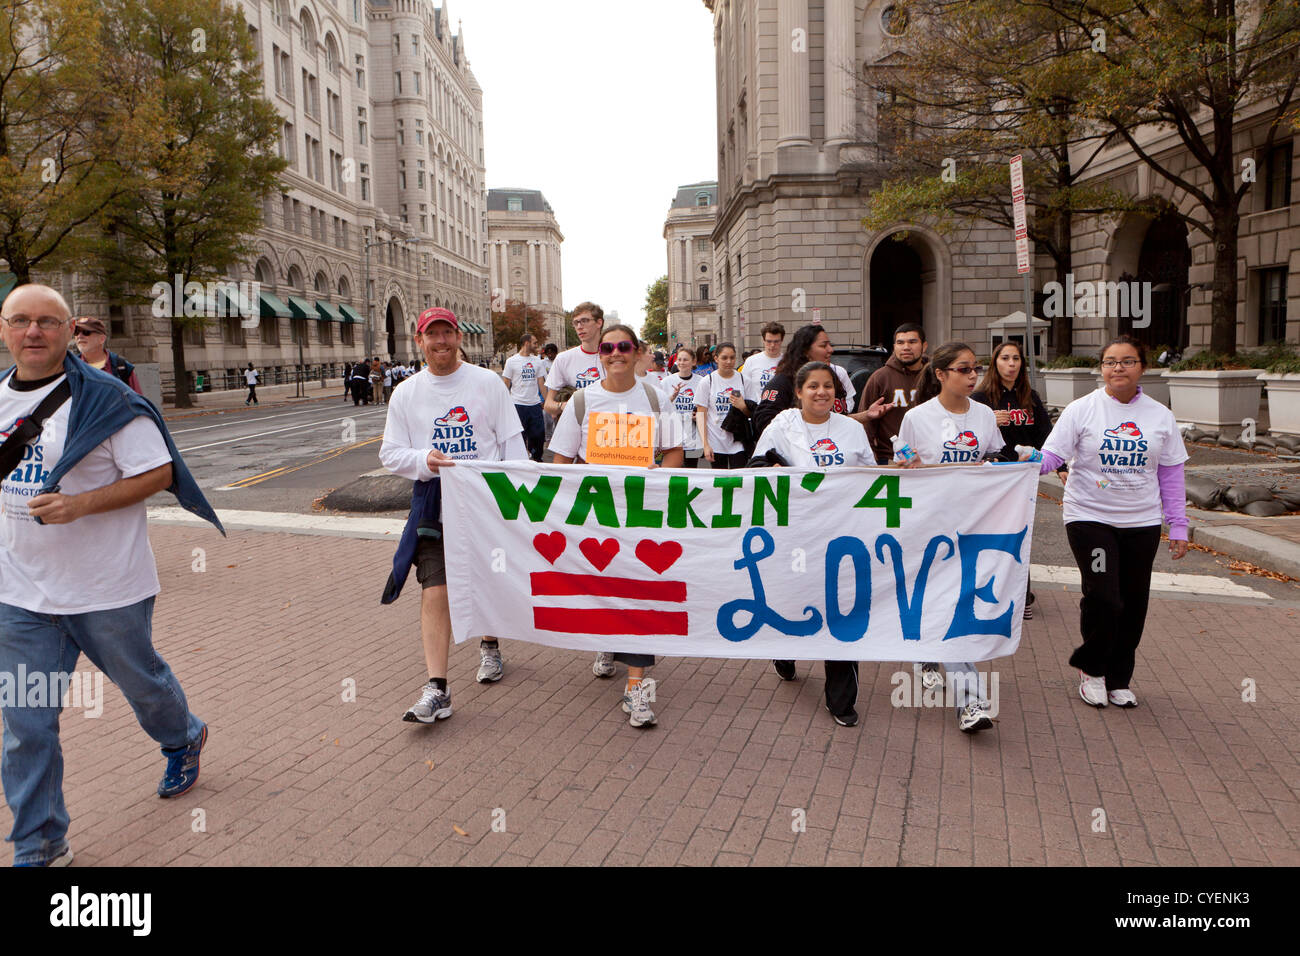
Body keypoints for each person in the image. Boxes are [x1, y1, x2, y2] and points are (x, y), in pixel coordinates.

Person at [0, 283, 224, 866]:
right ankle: (41, 846)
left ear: (69, 329)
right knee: (27, 727)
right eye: (20, 321)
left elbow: (157, 473)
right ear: (4, 329)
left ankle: (183, 736)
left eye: (47, 322)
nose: (33, 332)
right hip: (21, 596)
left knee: (142, 685)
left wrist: (80, 504)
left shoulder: (105, 398)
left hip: (105, 589)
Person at [380, 308, 526, 724]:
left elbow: (511, 443)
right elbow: (390, 452)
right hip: (435, 502)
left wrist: (519, 497)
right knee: (436, 589)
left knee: (488, 580)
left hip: (486, 501)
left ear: (458, 336)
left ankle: (490, 646)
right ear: (419, 339)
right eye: (433, 335)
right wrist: (424, 459)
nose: (441, 341)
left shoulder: (486, 384)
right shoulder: (406, 393)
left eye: (447, 333)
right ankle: (437, 688)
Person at [1036, 336, 1188, 709]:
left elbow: (1170, 474)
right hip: (1090, 518)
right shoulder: (1082, 409)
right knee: (1104, 596)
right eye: (1109, 361)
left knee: (1133, 602)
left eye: (1127, 361)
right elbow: (1052, 456)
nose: (1117, 368)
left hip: (1142, 523)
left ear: (1142, 367)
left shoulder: (1160, 416)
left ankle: (1120, 677)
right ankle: (1093, 670)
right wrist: (1016, 467)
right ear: (1101, 368)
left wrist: (1178, 525)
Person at [550, 324, 684, 727]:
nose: (615, 353)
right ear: (600, 354)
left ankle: (637, 690)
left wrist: (656, 481)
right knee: (605, 586)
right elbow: (561, 460)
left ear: (637, 351)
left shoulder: (656, 398)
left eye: (624, 346)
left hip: (641, 514)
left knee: (639, 591)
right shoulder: (581, 400)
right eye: (607, 347)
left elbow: (675, 451)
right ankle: (607, 640)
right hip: (597, 516)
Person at [897, 341, 1028, 733]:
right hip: (930, 526)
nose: (973, 376)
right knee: (947, 601)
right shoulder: (917, 418)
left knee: (959, 601)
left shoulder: (985, 415)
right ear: (940, 374)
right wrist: (909, 466)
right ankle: (969, 700)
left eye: (975, 369)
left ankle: (930, 659)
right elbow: (901, 469)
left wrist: (1017, 461)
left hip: (976, 526)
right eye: (963, 369)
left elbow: (995, 459)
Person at [750, 361, 879, 727]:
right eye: (813, 386)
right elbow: (756, 463)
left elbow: (870, 476)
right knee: (796, 602)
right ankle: (785, 651)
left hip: (843, 534)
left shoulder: (851, 430)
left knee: (842, 610)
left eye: (828, 386)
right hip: (798, 535)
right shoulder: (783, 425)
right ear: (799, 392)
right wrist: (769, 469)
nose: (821, 392)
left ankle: (841, 700)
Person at [973, 340, 1061, 620]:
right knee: (990, 536)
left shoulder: (1030, 397)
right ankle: (989, 593)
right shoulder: (981, 398)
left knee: (1020, 536)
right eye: (1005, 358)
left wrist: (1061, 464)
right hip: (992, 478)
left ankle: (1021, 596)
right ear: (995, 363)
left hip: (1023, 478)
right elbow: (971, 438)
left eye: (1016, 359)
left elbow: (1047, 435)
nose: (1011, 364)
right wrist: (989, 421)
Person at [753, 324, 869, 437]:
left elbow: (834, 420)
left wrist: (866, 415)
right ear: (806, 351)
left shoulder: (834, 377)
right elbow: (764, 422)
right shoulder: (783, 382)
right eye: (823, 346)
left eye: (830, 345)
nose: (830, 350)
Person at [861, 323, 929, 464]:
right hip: (890, 460)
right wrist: (871, 459)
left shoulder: (934, 377)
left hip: (928, 458)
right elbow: (866, 422)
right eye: (900, 342)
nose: (906, 347)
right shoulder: (880, 378)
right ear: (894, 347)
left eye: (912, 342)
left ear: (924, 346)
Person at [543, 302, 605, 420]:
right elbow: (548, 405)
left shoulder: (614, 357)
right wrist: (564, 406)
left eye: (585, 320)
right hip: (576, 430)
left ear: (599, 322)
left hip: (606, 428)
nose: (579, 326)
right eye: (576, 323)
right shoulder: (563, 359)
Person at [695, 342, 749, 469]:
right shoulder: (707, 381)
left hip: (738, 441)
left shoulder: (744, 380)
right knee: (720, 484)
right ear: (716, 358)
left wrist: (743, 407)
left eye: (732, 357)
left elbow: (752, 413)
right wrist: (705, 444)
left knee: (739, 481)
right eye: (724, 358)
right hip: (715, 441)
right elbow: (701, 414)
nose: (729, 361)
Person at [502, 333, 546, 462]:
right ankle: (521, 462)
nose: (537, 345)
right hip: (518, 405)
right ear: (527, 343)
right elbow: (506, 384)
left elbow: (541, 384)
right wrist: (503, 405)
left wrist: (547, 402)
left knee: (538, 436)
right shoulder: (511, 361)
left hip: (535, 405)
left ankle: (537, 460)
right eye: (535, 342)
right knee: (519, 438)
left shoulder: (537, 361)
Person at [71, 317, 143, 395]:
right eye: (76, 332)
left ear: (102, 339)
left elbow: (138, 403)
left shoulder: (122, 368)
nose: (79, 336)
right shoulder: (70, 368)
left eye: (86, 332)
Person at [659, 344, 704, 468]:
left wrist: (699, 416)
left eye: (685, 359)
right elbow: (660, 407)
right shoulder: (666, 382)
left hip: (693, 436)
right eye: (679, 359)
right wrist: (672, 397)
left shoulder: (701, 381)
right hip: (673, 436)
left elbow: (705, 407)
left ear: (693, 362)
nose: (682, 363)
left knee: (691, 470)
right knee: (674, 471)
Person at [740, 322, 785, 407]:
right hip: (758, 411)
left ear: (782, 340)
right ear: (763, 340)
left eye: (776, 341)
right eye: (769, 341)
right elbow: (744, 388)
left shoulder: (788, 361)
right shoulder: (751, 361)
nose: (772, 345)